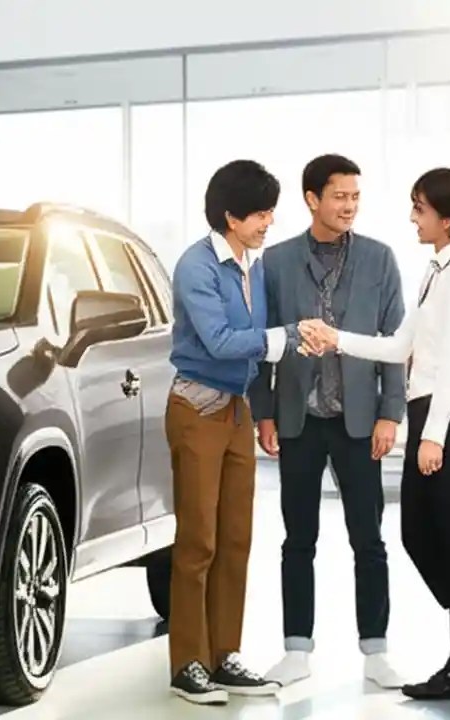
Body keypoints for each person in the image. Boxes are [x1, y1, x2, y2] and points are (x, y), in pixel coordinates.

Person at [298, 168, 450, 700]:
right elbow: (400, 346)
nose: (411, 217)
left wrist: (434, 437)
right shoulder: (436, 270)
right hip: (432, 416)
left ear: (446, 219)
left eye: (419, 209)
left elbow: (449, 366)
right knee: (423, 537)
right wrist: (336, 340)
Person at [248, 154, 406, 689]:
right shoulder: (277, 262)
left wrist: (391, 414)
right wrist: (263, 414)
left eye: (356, 197)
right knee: (298, 539)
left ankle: (376, 650)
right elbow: (260, 346)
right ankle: (296, 650)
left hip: (359, 421)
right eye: (340, 196)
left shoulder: (381, 260)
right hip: (297, 419)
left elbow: (394, 346)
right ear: (312, 199)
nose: (349, 206)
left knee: (370, 538)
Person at [166, 159, 298, 705]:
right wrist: (285, 336)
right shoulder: (195, 266)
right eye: (260, 213)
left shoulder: (255, 266)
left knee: (236, 540)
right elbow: (220, 341)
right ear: (230, 216)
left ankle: (225, 655)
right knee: (199, 541)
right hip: (197, 409)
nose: (268, 221)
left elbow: (251, 347)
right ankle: (187, 664)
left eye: (270, 211)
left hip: (238, 412)